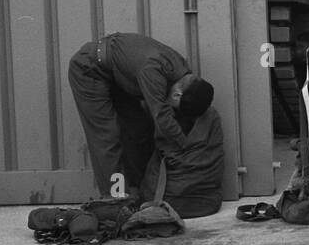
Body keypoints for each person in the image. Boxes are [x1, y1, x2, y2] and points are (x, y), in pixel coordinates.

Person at [68, 33, 214, 198]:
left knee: (140, 129)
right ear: (177, 95)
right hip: (89, 70)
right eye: (177, 108)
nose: (176, 111)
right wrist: (187, 149)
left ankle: (140, 191)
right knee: (108, 137)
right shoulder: (153, 71)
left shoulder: (183, 72)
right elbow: (163, 119)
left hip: (117, 75)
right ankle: (116, 199)